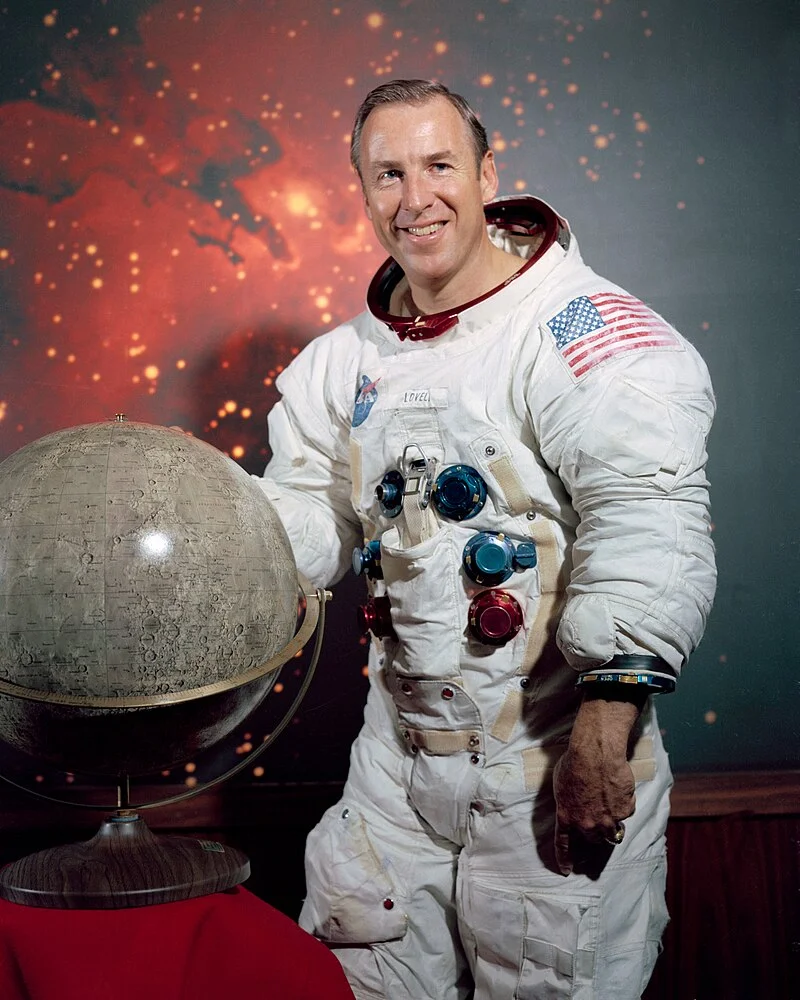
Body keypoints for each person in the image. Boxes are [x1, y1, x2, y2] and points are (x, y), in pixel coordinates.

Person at [255, 79, 716, 1000]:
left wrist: (605, 729)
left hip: (546, 755)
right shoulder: (343, 364)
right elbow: (308, 521)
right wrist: (212, 518)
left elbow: (647, 517)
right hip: (397, 767)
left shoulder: (583, 333)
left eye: (438, 165)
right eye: (388, 174)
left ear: (486, 172)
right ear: (362, 189)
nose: (415, 198)